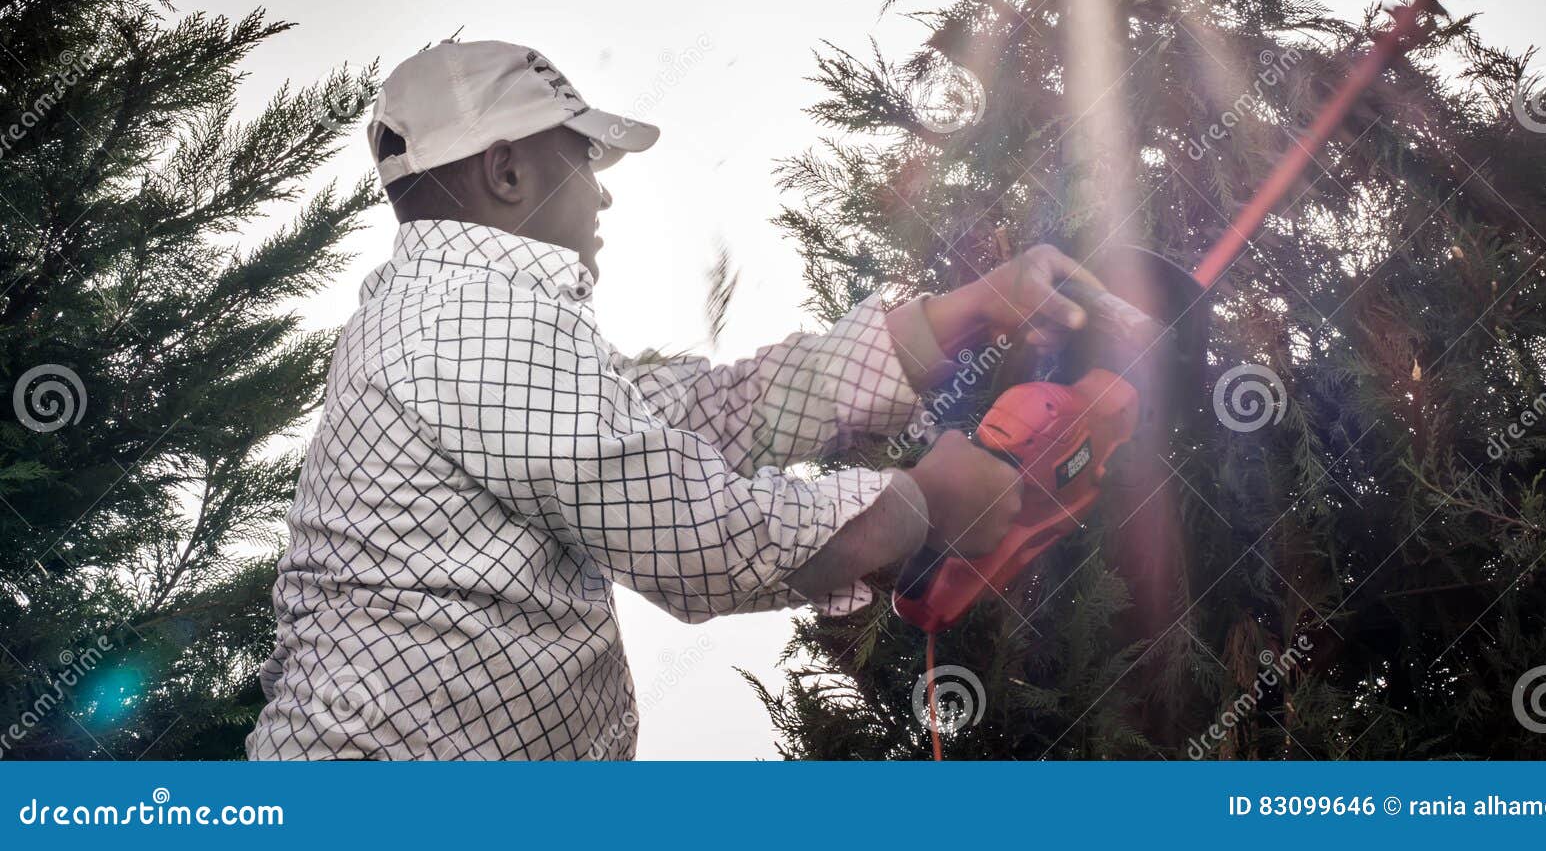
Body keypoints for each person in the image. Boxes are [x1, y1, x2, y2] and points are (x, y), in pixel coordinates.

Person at [245, 39, 1097, 760]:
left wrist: (956, 314)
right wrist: (924, 502)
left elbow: (707, 413)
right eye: (582, 156)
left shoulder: (461, 320)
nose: (604, 190)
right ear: (507, 170)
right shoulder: (464, 323)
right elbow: (701, 539)